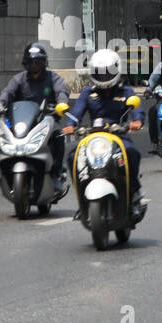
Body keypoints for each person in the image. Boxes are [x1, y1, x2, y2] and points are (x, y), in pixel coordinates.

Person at [61, 49, 145, 208]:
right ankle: (82, 200)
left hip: (119, 136)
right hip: (93, 136)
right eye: (99, 72)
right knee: (73, 157)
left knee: (132, 154)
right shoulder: (88, 92)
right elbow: (76, 113)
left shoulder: (125, 91)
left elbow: (137, 110)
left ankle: (134, 191)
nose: (104, 75)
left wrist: (137, 121)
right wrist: (70, 125)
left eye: (108, 72)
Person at [0, 43, 71, 188]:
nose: (34, 65)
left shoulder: (53, 78)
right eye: (31, 61)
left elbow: (61, 92)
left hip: (46, 120)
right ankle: (6, 172)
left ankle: (55, 174)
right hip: (21, 123)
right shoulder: (18, 79)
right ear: (25, 63)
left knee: (58, 137)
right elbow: (7, 93)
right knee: (4, 136)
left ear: (43, 63)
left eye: (37, 61)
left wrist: (62, 104)